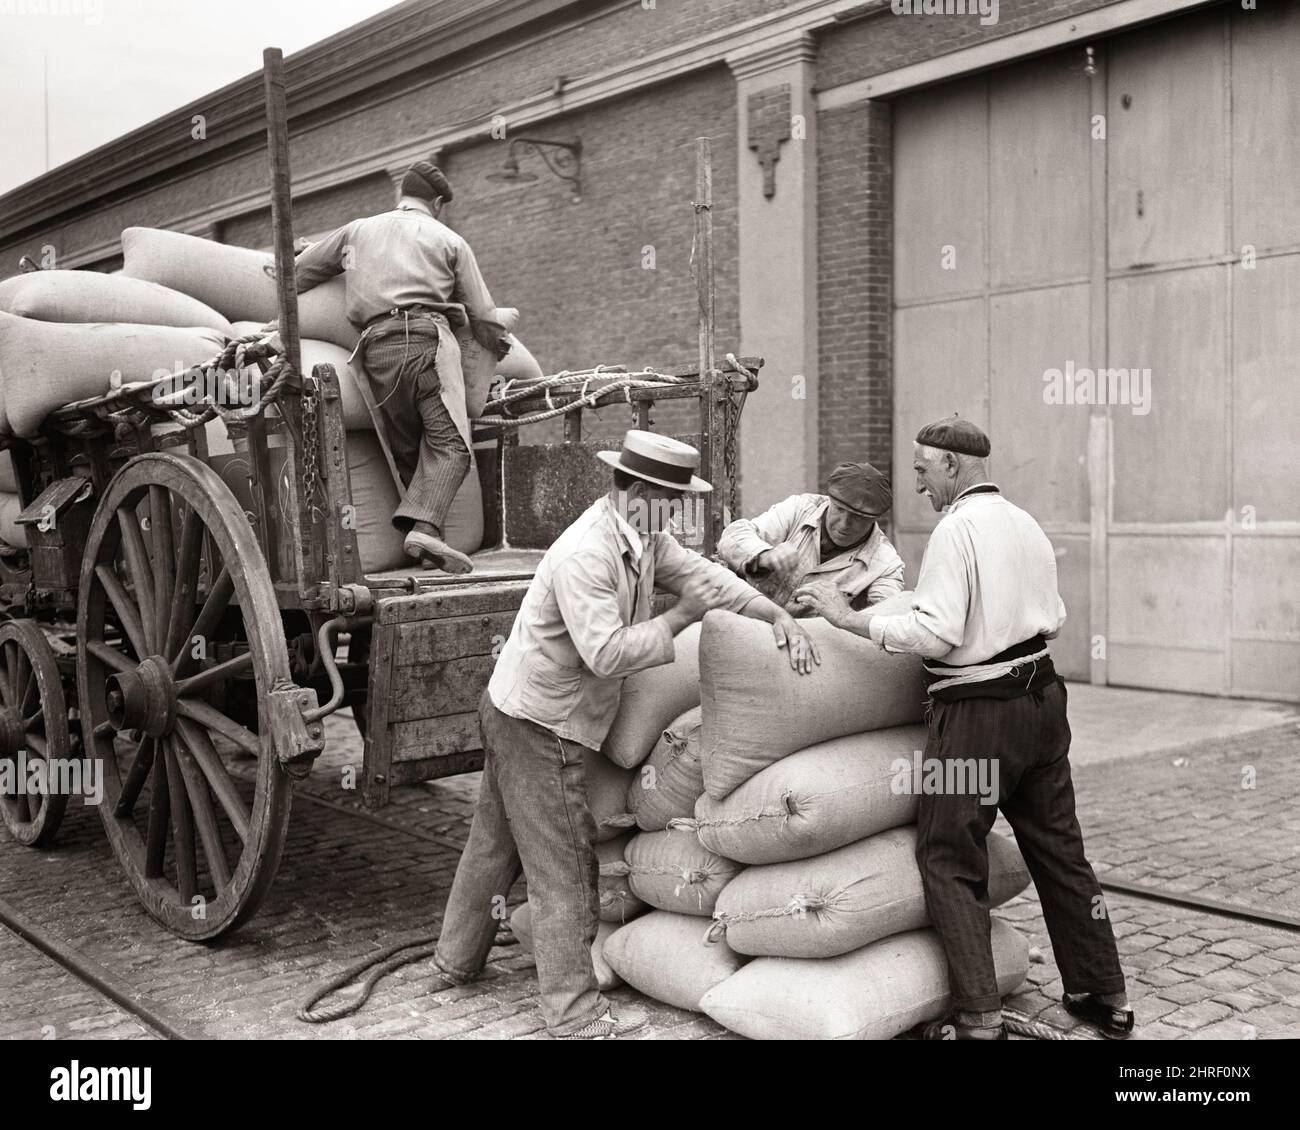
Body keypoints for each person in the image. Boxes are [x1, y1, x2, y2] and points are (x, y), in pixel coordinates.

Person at [435, 430, 820, 1039]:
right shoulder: (586, 553)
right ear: (639, 491)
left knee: (495, 841)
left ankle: (454, 961)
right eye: (674, 497)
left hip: (519, 708)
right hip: (539, 724)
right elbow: (606, 654)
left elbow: (708, 579)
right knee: (563, 864)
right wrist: (679, 616)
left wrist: (773, 612)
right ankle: (574, 1014)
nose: (682, 510)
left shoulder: (644, 535)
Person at [794, 416, 1132, 1041]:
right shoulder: (1024, 521)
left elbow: (938, 632)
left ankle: (978, 1015)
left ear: (951, 465)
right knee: (1059, 847)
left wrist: (850, 620)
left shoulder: (956, 529)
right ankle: (1102, 990)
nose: (919, 484)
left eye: (923, 470)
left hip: (978, 719)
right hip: (1043, 704)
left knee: (948, 854)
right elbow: (1051, 617)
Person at [293, 160, 509, 574]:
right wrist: (496, 344)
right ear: (438, 203)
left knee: (408, 450)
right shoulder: (449, 240)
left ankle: (428, 545)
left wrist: (302, 255)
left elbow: (298, 274)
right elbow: (483, 314)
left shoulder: (357, 231)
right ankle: (424, 527)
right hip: (427, 344)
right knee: (452, 446)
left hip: (374, 349)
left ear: (402, 194)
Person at [718, 461, 904, 615]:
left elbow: (887, 619)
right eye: (839, 509)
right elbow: (733, 534)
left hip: (814, 646)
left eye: (858, 518)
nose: (844, 523)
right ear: (829, 500)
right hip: (750, 622)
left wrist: (845, 614)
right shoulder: (801, 508)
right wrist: (764, 556)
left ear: (875, 519)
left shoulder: (886, 563)